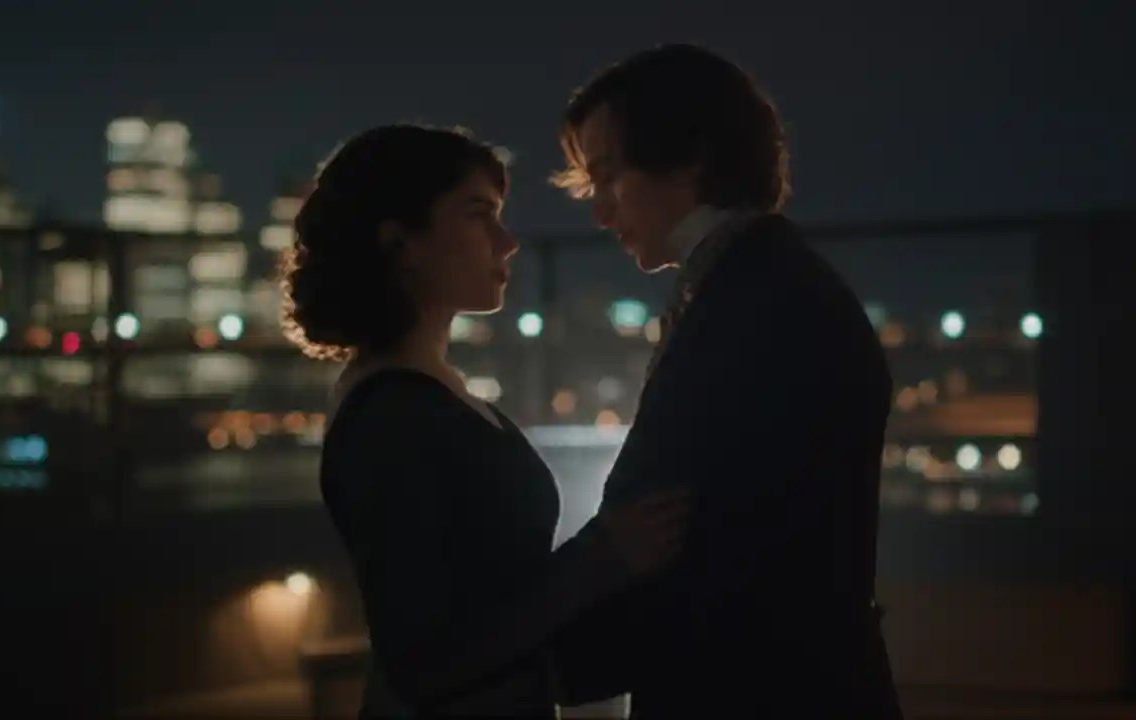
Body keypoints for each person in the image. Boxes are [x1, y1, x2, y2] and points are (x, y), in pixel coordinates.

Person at [279, 124, 690, 718]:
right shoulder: (392, 416)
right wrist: (601, 556)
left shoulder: (431, 395)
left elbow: (502, 613)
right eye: (479, 216)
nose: (508, 241)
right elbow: (426, 662)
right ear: (402, 243)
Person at [548, 44, 904, 717]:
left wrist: (517, 667)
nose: (597, 210)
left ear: (688, 157)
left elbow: (708, 547)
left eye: (607, 175)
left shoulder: (758, 302)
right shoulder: (765, 284)